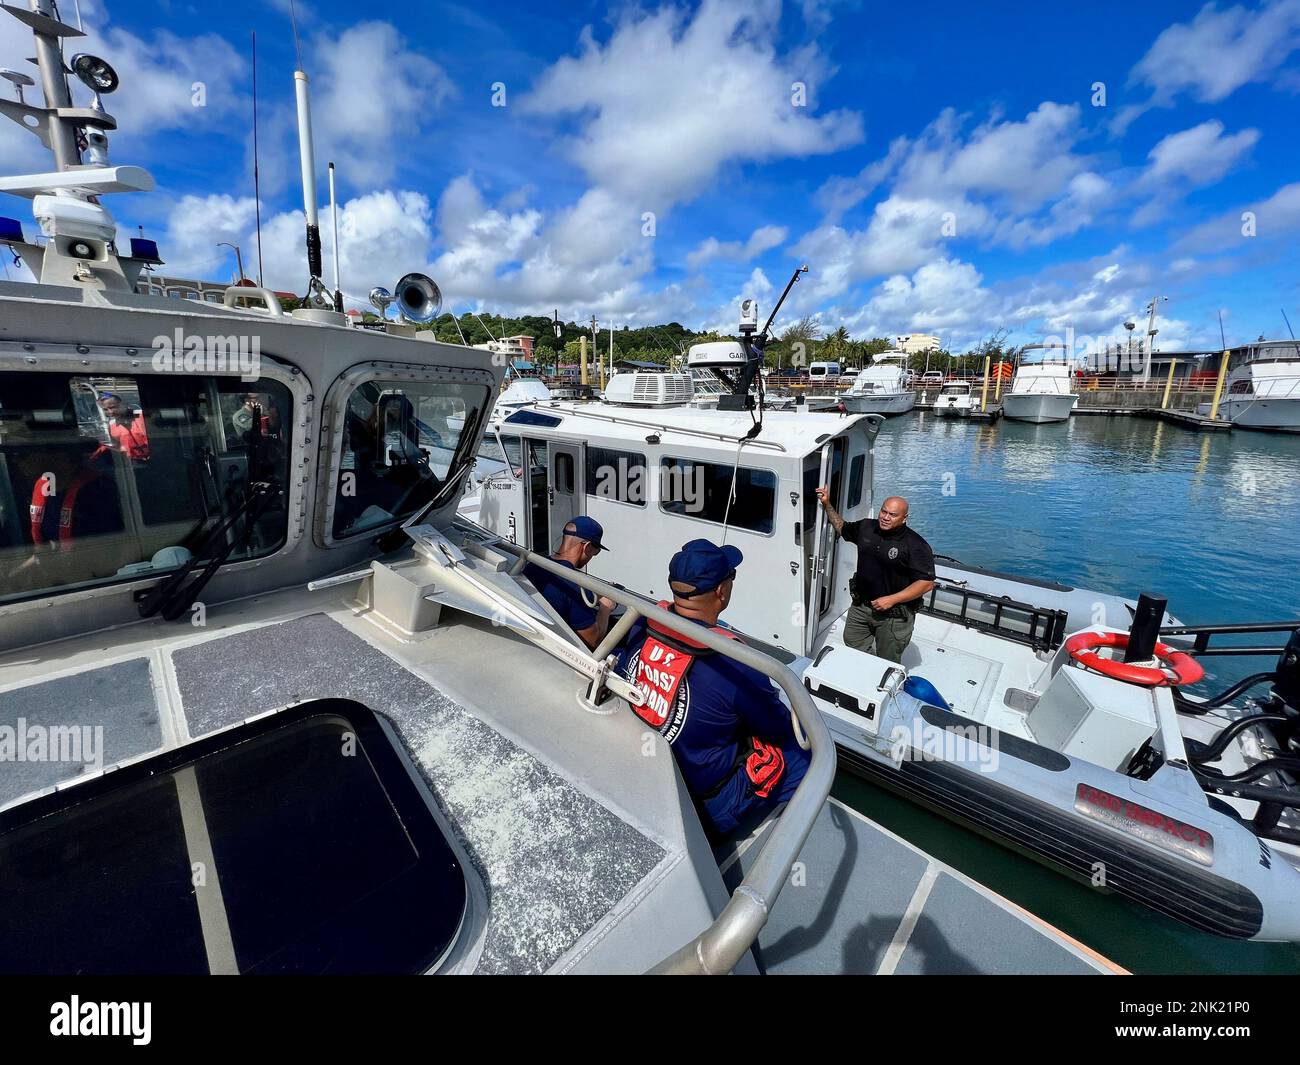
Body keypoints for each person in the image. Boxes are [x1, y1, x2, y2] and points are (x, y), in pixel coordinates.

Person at [617, 538, 809, 839]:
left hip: (649, 769)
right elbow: (779, 729)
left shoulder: (642, 622)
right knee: (806, 757)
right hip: (704, 804)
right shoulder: (736, 663)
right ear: (722, 590)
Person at [815, 489, 935, 663]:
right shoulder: (866, 527)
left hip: (893, 615)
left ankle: (882, 679)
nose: (886, 517)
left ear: (904, 518)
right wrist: (827, 504)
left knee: (888, 660)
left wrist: (892, 599)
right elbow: (842, 527)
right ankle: (869, 668)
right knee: (852, 641)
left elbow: (926, 583)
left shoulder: (916, 545)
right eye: (883, 511)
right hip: (861, 606)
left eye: (893, 515)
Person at [523, 515, 615, 650]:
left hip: (531, 636)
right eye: (596, 551)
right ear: (587, 546)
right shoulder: (576, 588)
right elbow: (592, 642)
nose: (593, 555)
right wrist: (606, 608)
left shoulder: (533, 565)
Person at [98, 393, 149, 461]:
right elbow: (121, 447)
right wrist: (105, 446)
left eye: (113, 407)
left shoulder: (141, 415)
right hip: (135, 460)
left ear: (123, 404)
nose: (110, 412)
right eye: (105, 409)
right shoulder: (111, 426)